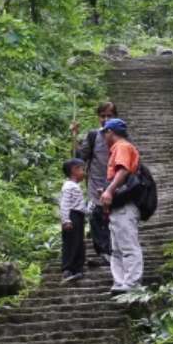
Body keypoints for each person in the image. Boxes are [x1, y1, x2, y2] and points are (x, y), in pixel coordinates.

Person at [97, 118, 144, 292]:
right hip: (118, 205)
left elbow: (123, 169)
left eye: (104, 132)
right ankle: (120, 282)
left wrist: (109, 190)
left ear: (110, 132)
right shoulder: (118, 148)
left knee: (128, 245)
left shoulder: (122, 146)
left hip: (125, 205)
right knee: (116, 248)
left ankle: (132, 283)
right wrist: (108, 190)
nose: (103, 136)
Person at [70, 102, 118, 259]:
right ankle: (103, 251)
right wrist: (74, 136)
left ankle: (113, 248)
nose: (105, 119)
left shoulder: (121, 135)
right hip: (96, 183)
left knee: (114, 216)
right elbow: (79, 158)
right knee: (96, 216)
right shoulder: (93, 136)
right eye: (102, 116)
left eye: (109, 116)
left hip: (116, 183)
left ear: (115, 116)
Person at [57, 158, 89, 280]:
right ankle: (68, 268)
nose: (84, 172)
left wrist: (88, 210)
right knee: (71, 242)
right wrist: (66, 220)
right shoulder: (69, 186)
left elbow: (79, 205)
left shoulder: (74, 186)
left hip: (78, 217)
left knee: (79, 242)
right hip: (72, 217)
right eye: (82, 169)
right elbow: (64, 204)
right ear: (74, 170)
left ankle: (77, 268)